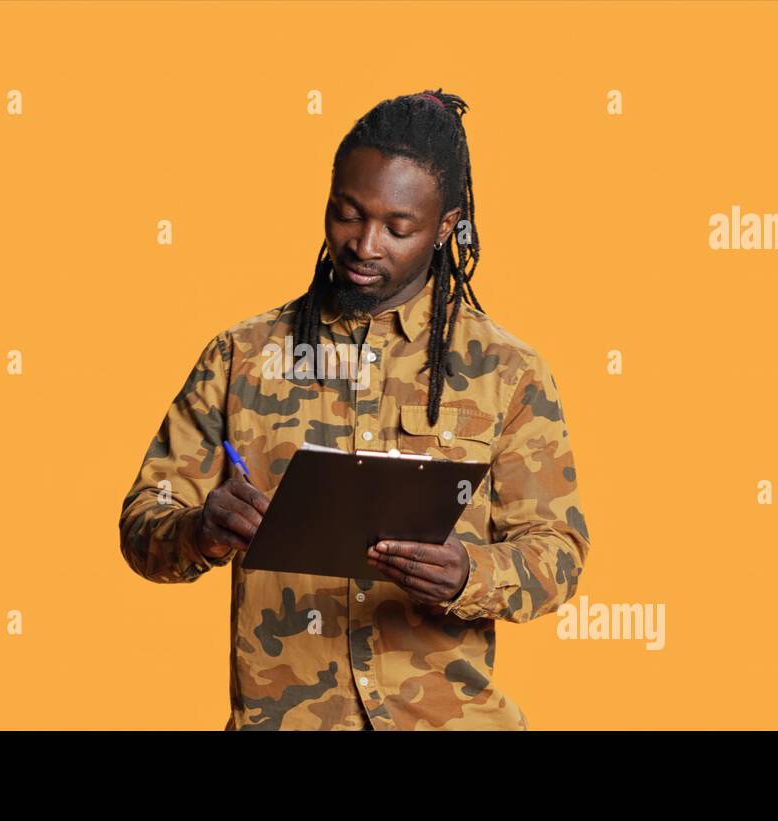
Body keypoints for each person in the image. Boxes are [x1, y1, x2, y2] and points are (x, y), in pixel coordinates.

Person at [118, 89, 591, 730]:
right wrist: (201, 529)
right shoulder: (241, 357)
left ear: (446, 225)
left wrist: (468, 573)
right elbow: (144, 529)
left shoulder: (509, 372)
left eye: (398, 229)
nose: (365, 245)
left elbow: (558, 554)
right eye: (346, 214)